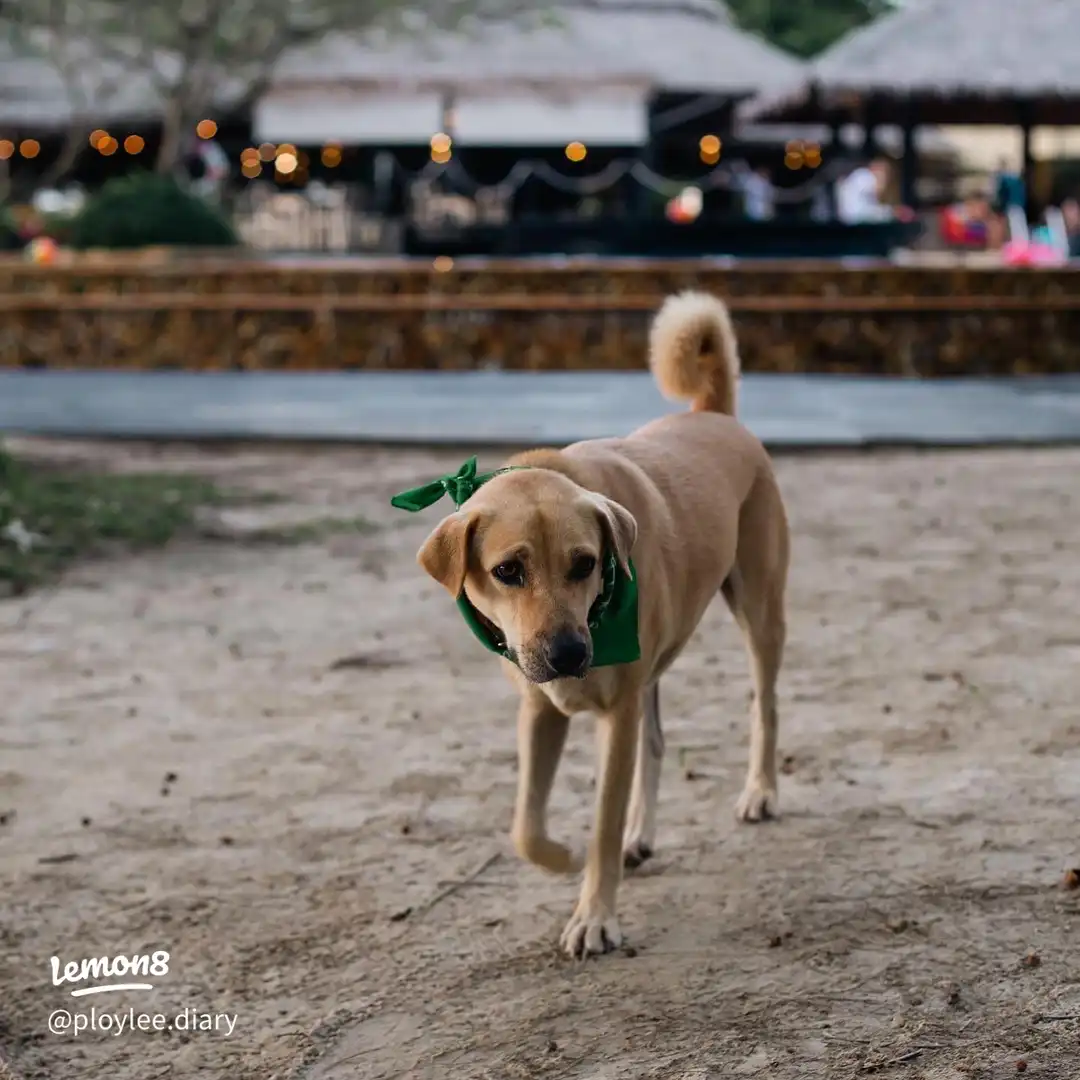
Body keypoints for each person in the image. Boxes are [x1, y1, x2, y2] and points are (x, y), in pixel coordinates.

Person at [835, 156, 913, 224]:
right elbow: (864, 214)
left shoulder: (861, 177)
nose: (886, 178)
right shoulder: (864, 177)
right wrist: (893, 212)